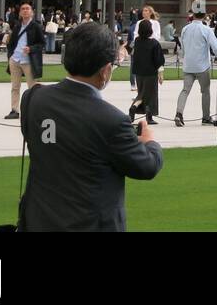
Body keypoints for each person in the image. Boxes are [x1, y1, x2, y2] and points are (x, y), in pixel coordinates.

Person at [16, 20, 163, 231]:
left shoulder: (33, 99)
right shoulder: (111, 120)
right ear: (105, 71)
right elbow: (147, 166)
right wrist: (150, 143)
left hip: (40, 221)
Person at [174, 10, 217, 127]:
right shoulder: (206, 30)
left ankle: (179, 114)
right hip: (202, 66)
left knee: (185, 90)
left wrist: (186, 56)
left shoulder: (185, 29)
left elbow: (183, 47)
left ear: (193, 15)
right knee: (205, 91)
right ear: (204, 16)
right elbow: (215, 46)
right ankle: (206, 117)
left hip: (188, 64)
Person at [4, 3, 45, 120]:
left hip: (28, 61)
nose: (25, 10)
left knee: (32, 87)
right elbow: (12, 43)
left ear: (32, 12)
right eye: (23, 9)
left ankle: (34, 110)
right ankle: (14, 110)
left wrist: (31, 49)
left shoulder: (36, 26)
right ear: (20, 13)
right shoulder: (17, 26)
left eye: (27, 9)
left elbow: (42, 43)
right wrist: (10, 56)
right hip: (15, 59)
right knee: (15, 87)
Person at [129, 19, 164, 125]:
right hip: (150, 72)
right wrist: (160, 73)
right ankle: (145, 114)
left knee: (142, 93)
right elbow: (158, 60)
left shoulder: (137, 41)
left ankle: (136, 108)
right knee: (150, 95)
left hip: (139, 72)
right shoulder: (154, 43)